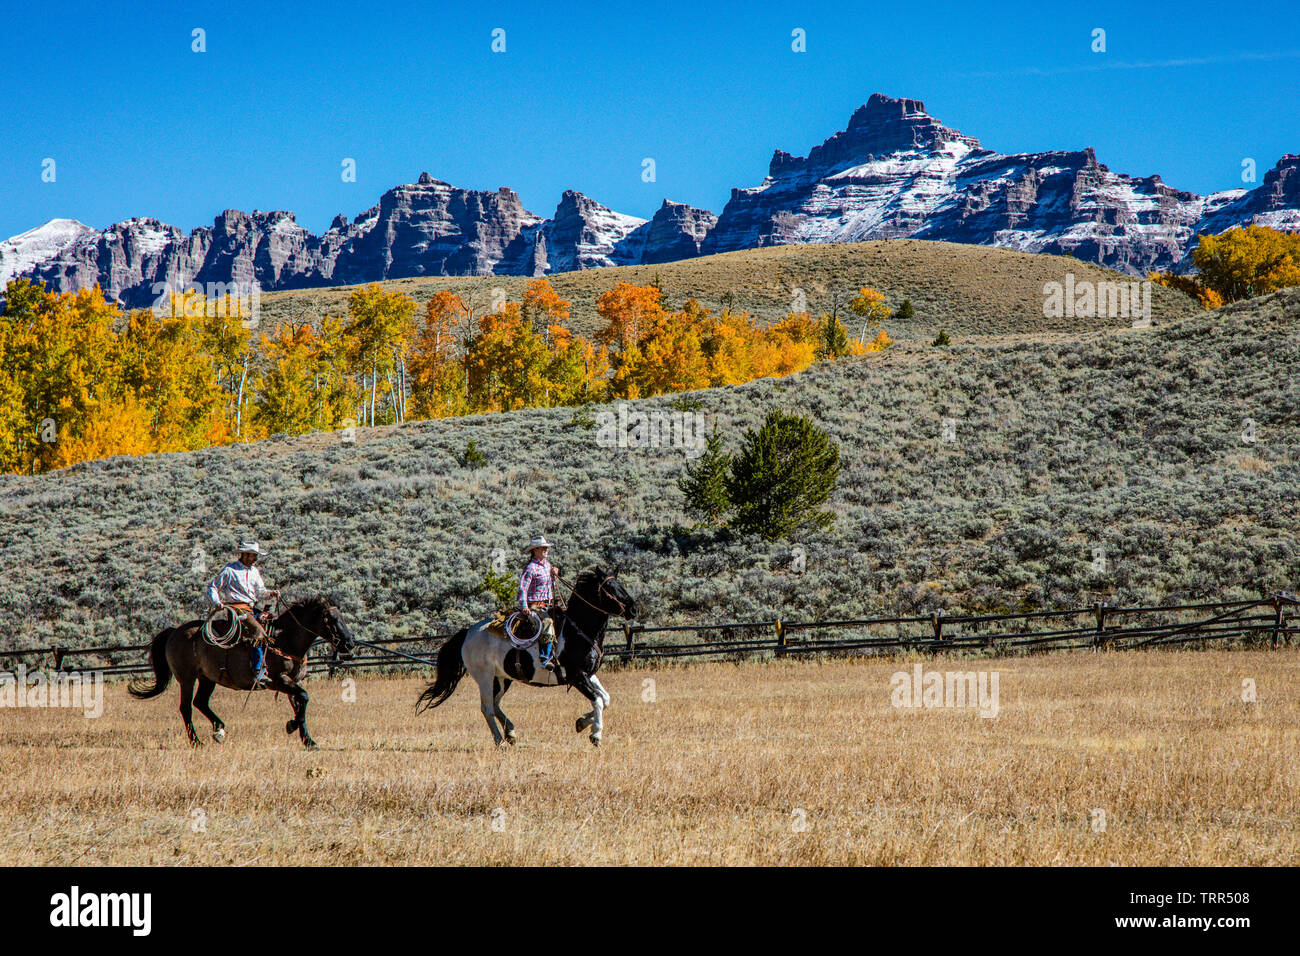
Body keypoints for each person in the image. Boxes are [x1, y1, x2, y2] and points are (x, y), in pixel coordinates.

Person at [207, 541, 280, 686]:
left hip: (251, 608)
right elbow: (213, 586)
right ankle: (258, 671)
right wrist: (217, 603)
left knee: (272, 625)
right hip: (236, 609)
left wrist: (271, 593)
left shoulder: (254, 571)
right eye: (253, 555)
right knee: (257, 632)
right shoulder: (230, 570)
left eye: (255, 555)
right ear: (245, 554)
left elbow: (260, 592)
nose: (255, 558)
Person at [518, 535, 561, 668]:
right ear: (535, 550)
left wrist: (554, 576)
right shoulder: (531, 568)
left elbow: (549, 586)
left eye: (546, 548)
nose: (546, 550)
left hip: (548, 604)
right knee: (547, 623)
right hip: (535, 606)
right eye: (542, 548)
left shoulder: (547, 565)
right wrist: (524, 606)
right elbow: (522, 589)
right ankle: (545, 657)